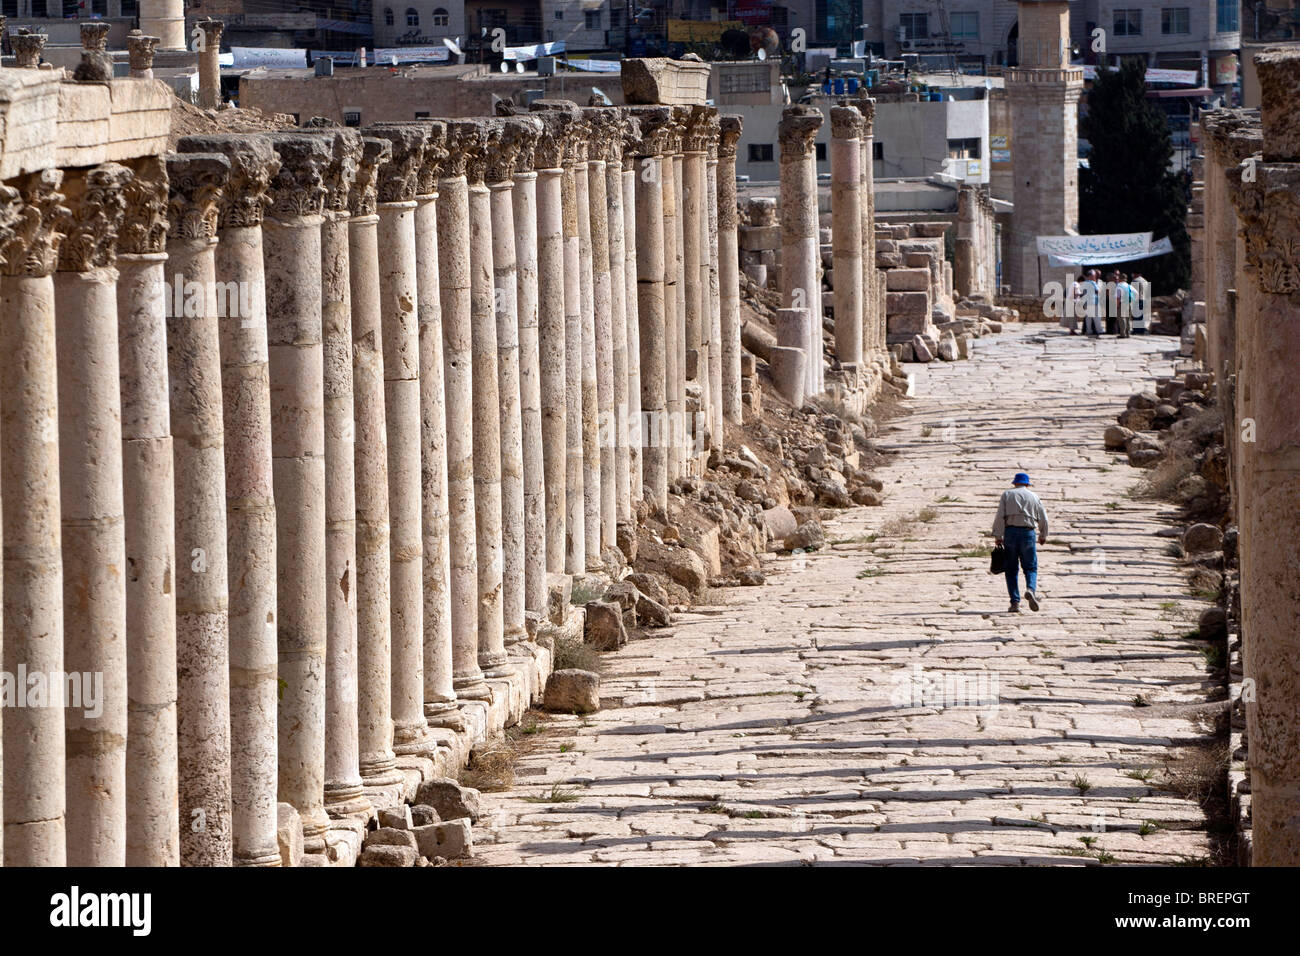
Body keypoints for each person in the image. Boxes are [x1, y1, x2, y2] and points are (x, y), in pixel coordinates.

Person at [993, 472, 1048, 613]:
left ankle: (1015, 602)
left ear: (1014, 483)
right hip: (1028, 534)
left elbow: (1000, 516)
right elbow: (1043, 518)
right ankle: (1030, 589)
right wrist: (1043, 535)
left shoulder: (1007, 495)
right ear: (1027, 484)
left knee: (1011, 569)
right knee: (1030, 567)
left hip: (1010, 534)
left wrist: (998, 535)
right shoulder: (1034, 496)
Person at [1081, 270, 1103, 337]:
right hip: (1093, 302)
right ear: (1090, 276)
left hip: (1086, 302)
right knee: (1097, 317)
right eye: (1094, 276)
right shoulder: (1093, 283)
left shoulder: (1084, 283)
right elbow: (1098, 291)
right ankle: (1099, 330)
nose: (1095, 277)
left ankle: (1089, 331)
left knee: (1088, 318)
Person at [1115, 272, 1134, 338]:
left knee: (1122, 319)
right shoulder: (1129, 286)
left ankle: (1122, 334)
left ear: (1120, 279)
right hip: (1128, 303)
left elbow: (1118, 297)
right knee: (1128, 319)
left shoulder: (1119, 286)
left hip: (1122, 304)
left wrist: (1117, 305)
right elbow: (1136, 293)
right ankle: (1128, 333)